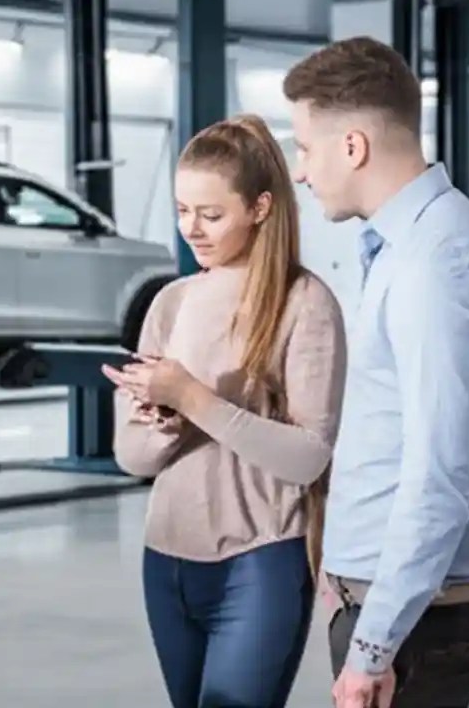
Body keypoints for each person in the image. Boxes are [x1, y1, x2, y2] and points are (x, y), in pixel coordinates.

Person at [282, 36, 469, 708]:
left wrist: (371, 646)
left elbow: (439, 474)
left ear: (352, 146)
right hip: (397, 607)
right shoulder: (415, 244)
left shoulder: (431, 264)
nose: (301, 172)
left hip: (412, 629)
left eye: (304, 148)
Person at [103, 113, 348, 707]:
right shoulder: (171, 301)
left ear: (261, 207)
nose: (193, 229)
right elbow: (130, 457)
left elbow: (309, 459)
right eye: (183, 211)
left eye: (212, 214)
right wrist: (164, 424)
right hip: (165, 559)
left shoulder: (304, 302)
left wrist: (193, 398)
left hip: (259, 560)